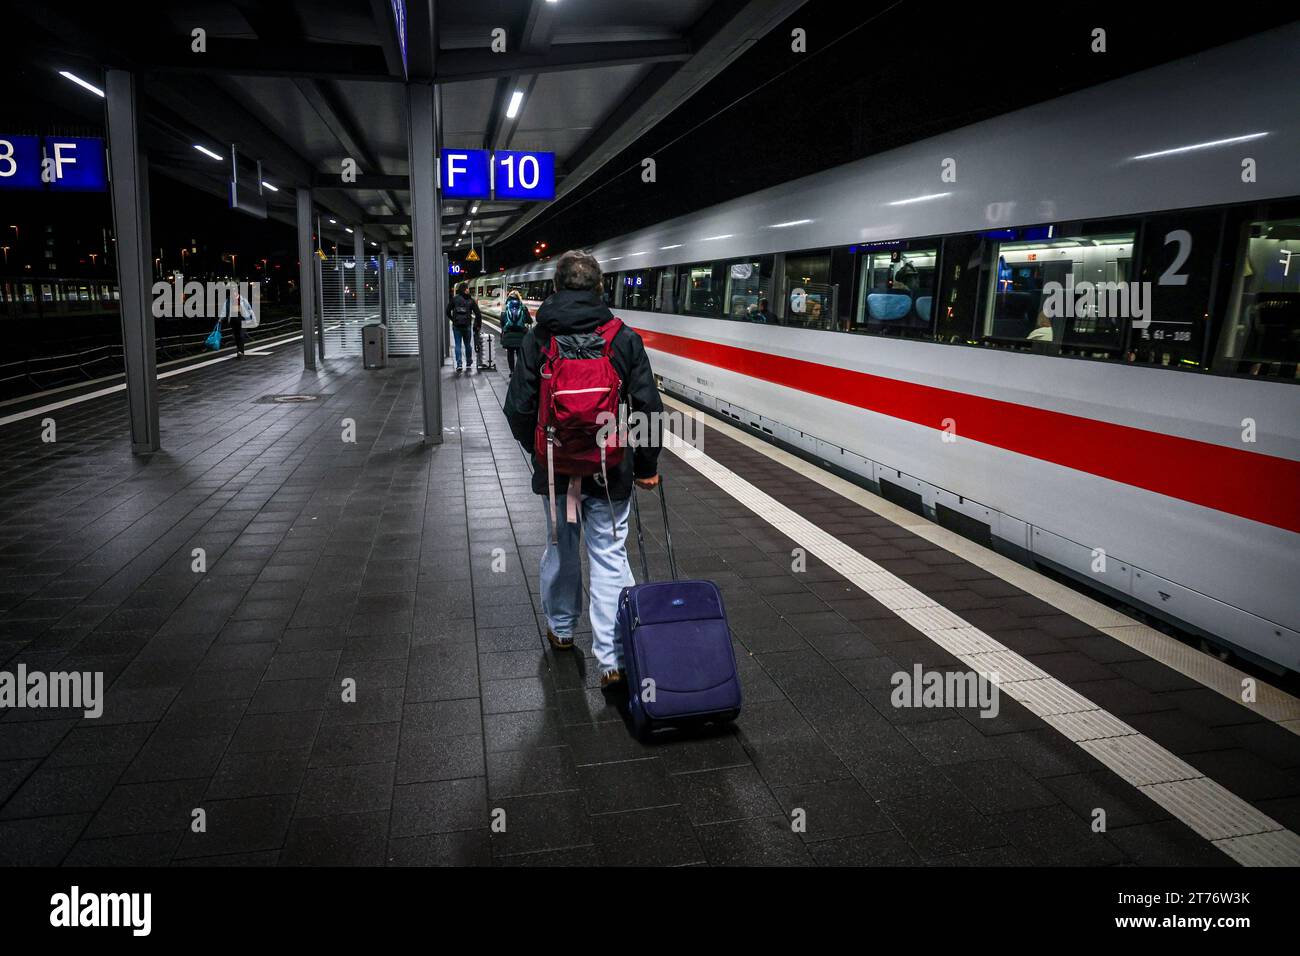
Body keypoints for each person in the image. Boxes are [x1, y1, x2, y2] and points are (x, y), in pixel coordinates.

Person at [504, 250, 663, 689]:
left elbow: (516, 408)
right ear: (599, 288)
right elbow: (647, 406)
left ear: (555, 288)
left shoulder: (539, 339)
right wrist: (646, 465)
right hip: (610, 471)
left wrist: (541, 450)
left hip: (556, 469)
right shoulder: (622, 337)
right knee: (610, 556)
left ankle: (561, 630)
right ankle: (612, 660)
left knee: (560, 548)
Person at [446, 281, 481, 371]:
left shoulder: (455, 299)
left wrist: (453, 320)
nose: (468, 290)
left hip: (456, 326)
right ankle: (469, 362)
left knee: (458, 345)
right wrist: (478, 325)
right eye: (467, 288)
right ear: (465, 289)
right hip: (467, 326)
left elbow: (447, 311)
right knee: (467, 345)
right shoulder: (470, 300)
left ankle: (459, 364)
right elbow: (478, 314)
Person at [499, 288, 533, 372]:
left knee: (510, 353)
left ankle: (512, 371)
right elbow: (529, 320)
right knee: (519, 353)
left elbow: (502, 321)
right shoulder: (523, 307)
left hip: (509, 334)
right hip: (520, 334)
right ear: (518, 297)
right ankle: (519, 371)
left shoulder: (505, 307)